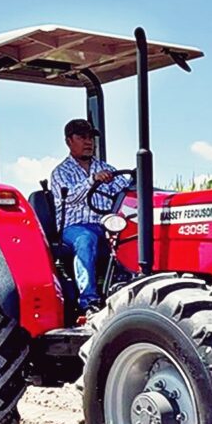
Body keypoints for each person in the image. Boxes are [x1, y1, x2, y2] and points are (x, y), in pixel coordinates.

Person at [50, 119, 130, 314]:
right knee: (86, 239)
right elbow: (69, 197)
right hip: (74, 228)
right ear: (69, 141)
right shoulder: (61, 172)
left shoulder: (107, 169)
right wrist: (91, 180)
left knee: (133, 235)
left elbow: (124, 189)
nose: (88, 142)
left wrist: (135, 182)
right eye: (82, 137)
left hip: (106, 225)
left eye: (90, 138)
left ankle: (129, 289)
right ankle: (89, 301)